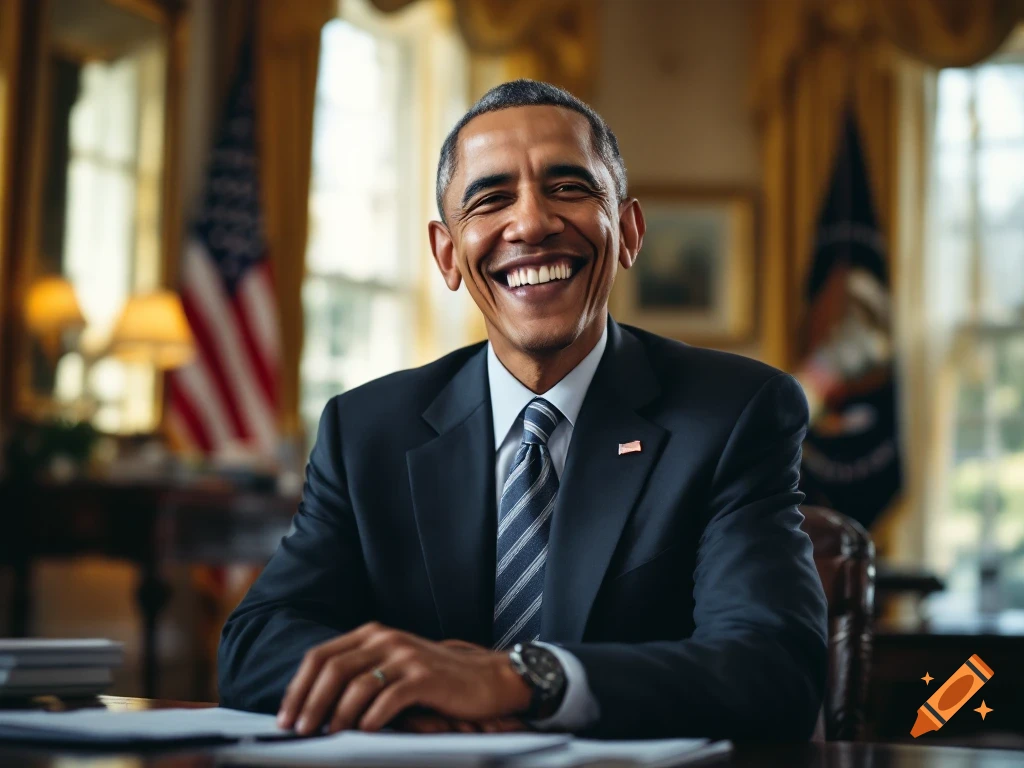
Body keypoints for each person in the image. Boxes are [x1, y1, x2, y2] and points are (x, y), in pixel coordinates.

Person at [218, 80, 828, 740]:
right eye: (490, 199)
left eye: (569, 188)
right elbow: (255, 646)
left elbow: (772, 670)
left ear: (628, 231)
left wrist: (520, 679)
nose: (532, 224)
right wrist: (405, 693)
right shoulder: (365, 430)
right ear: (448, 254)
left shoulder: (735, 413)